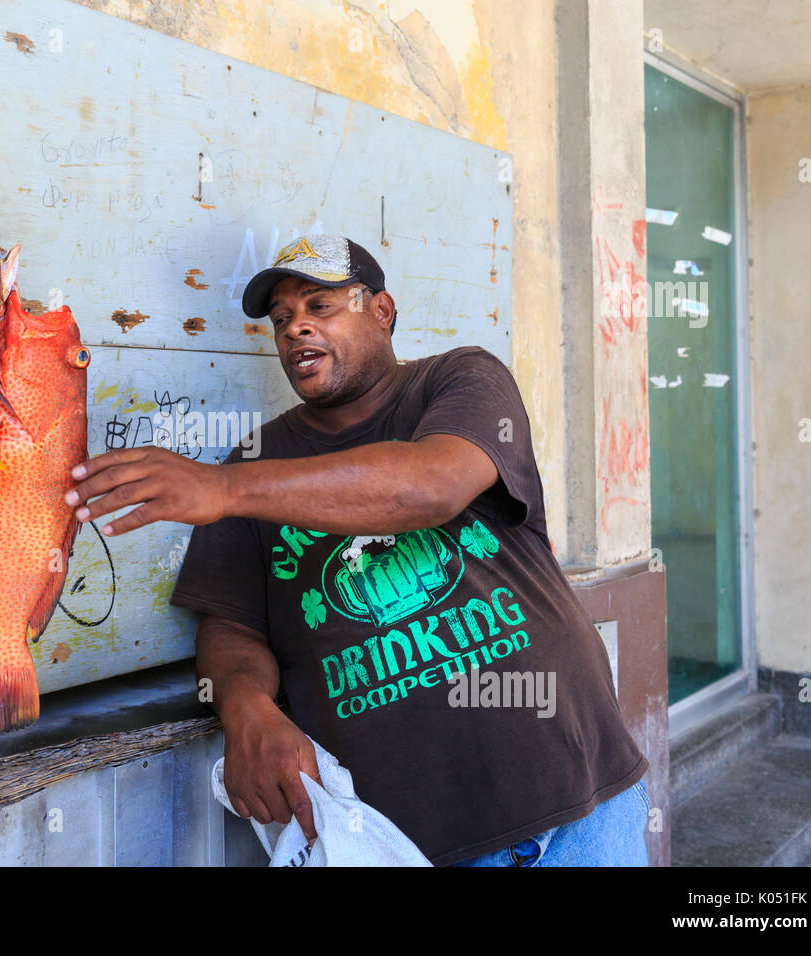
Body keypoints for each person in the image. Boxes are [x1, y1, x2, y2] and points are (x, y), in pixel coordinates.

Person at [63, 234, 650, 866]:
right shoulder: (256, 462)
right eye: (282, 319)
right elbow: (230, 626)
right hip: (408, 845)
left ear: (382, 311)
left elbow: (432, 485)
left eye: (319, 307)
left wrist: (220, 487)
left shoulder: (460, 380)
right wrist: (245, 707)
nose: (295, 330)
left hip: (583, 807)